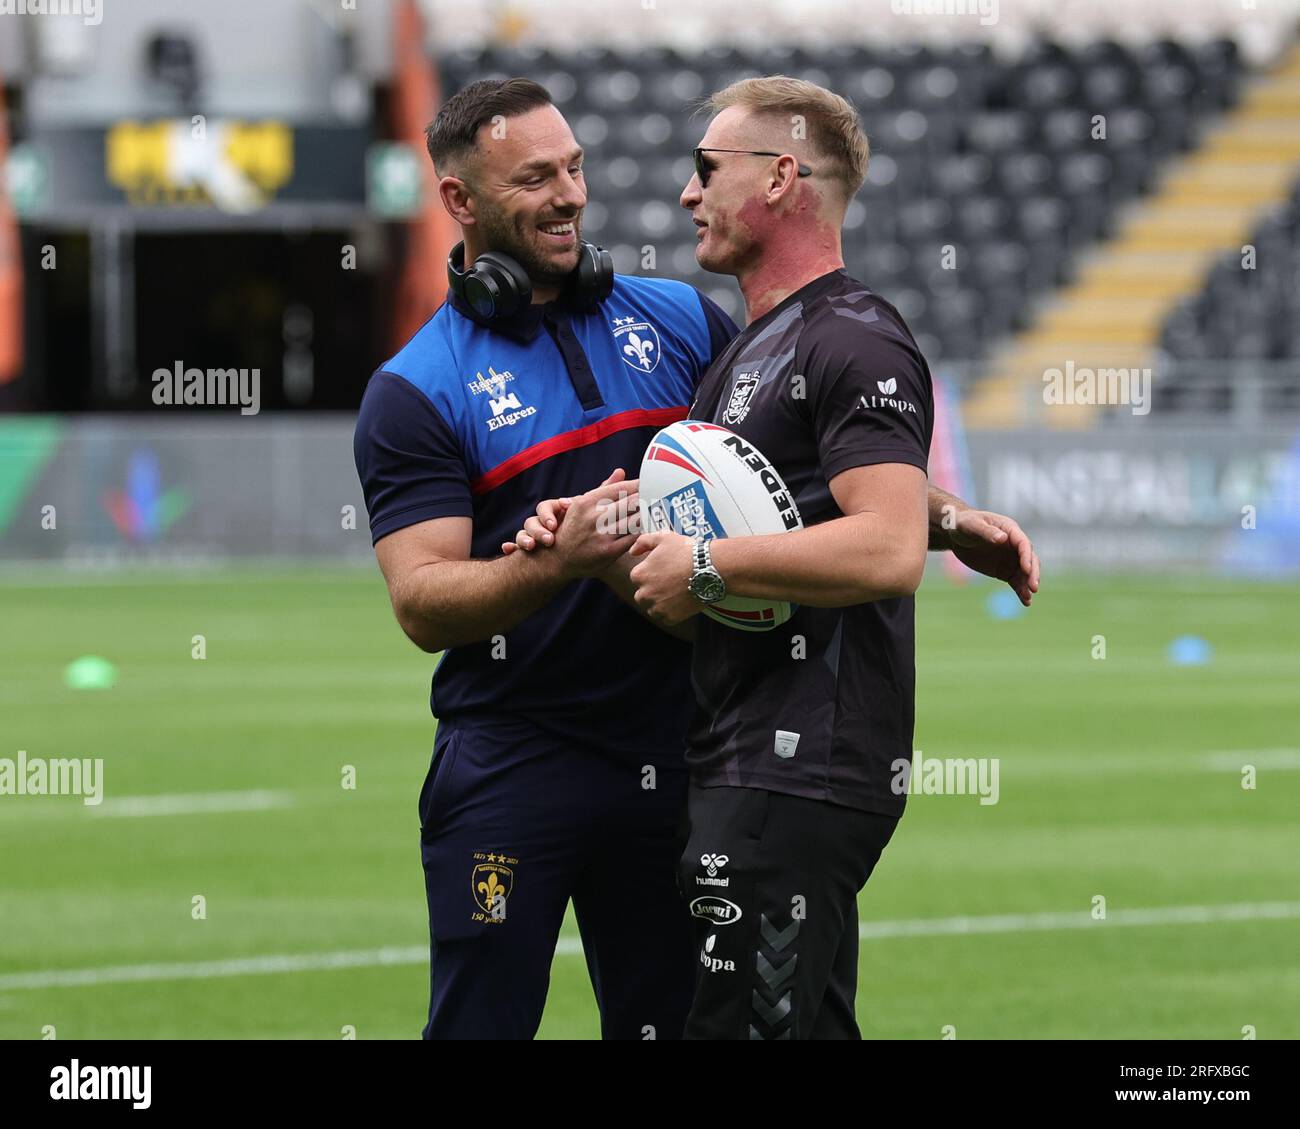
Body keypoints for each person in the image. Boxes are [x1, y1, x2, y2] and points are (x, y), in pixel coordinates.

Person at [357, 75, 1037, 1040]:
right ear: (460, 202)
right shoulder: (416, 388)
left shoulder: (680, 321)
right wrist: (558, 562)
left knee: (682, 1024)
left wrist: (943, 514)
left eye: (575, 168)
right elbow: (422, 602)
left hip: (683, 751)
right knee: (479, 1023)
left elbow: (788, 472)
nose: (568, 195)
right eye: (535, 178)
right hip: (512, 764)